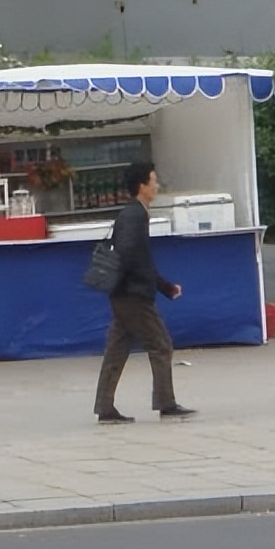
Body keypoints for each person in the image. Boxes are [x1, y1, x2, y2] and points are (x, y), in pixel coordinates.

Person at [93, 163, 196, 424]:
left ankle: (105, 407)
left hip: (123, 293)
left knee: (117, 349)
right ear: (142, 186)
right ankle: (165, 402)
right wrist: (153, 285)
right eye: (153, 180)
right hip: (133, 295)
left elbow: (138, 258)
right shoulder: (134, 215)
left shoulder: (133, 213)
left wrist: (163, 286)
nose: (156, 185)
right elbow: (131, 256)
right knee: (160, 344)